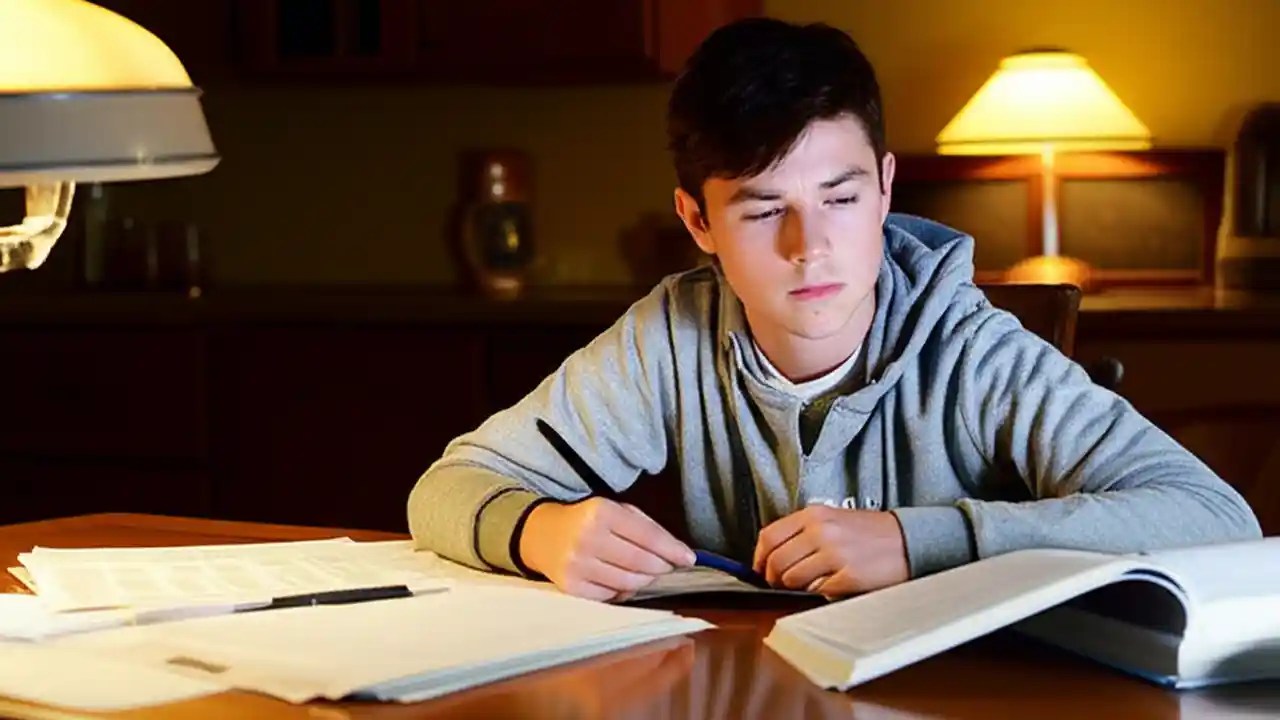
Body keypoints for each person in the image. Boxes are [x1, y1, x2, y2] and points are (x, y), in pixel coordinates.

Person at [407, 18, 1261, 602]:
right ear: (698, 222)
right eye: (762, 209)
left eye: (841, 199)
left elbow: (1217, 518)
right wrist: (538, 529)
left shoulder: (972, 350)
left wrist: (918, 540)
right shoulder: (669, 339)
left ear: (885, 188)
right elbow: (446, 488)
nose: (808, 246)